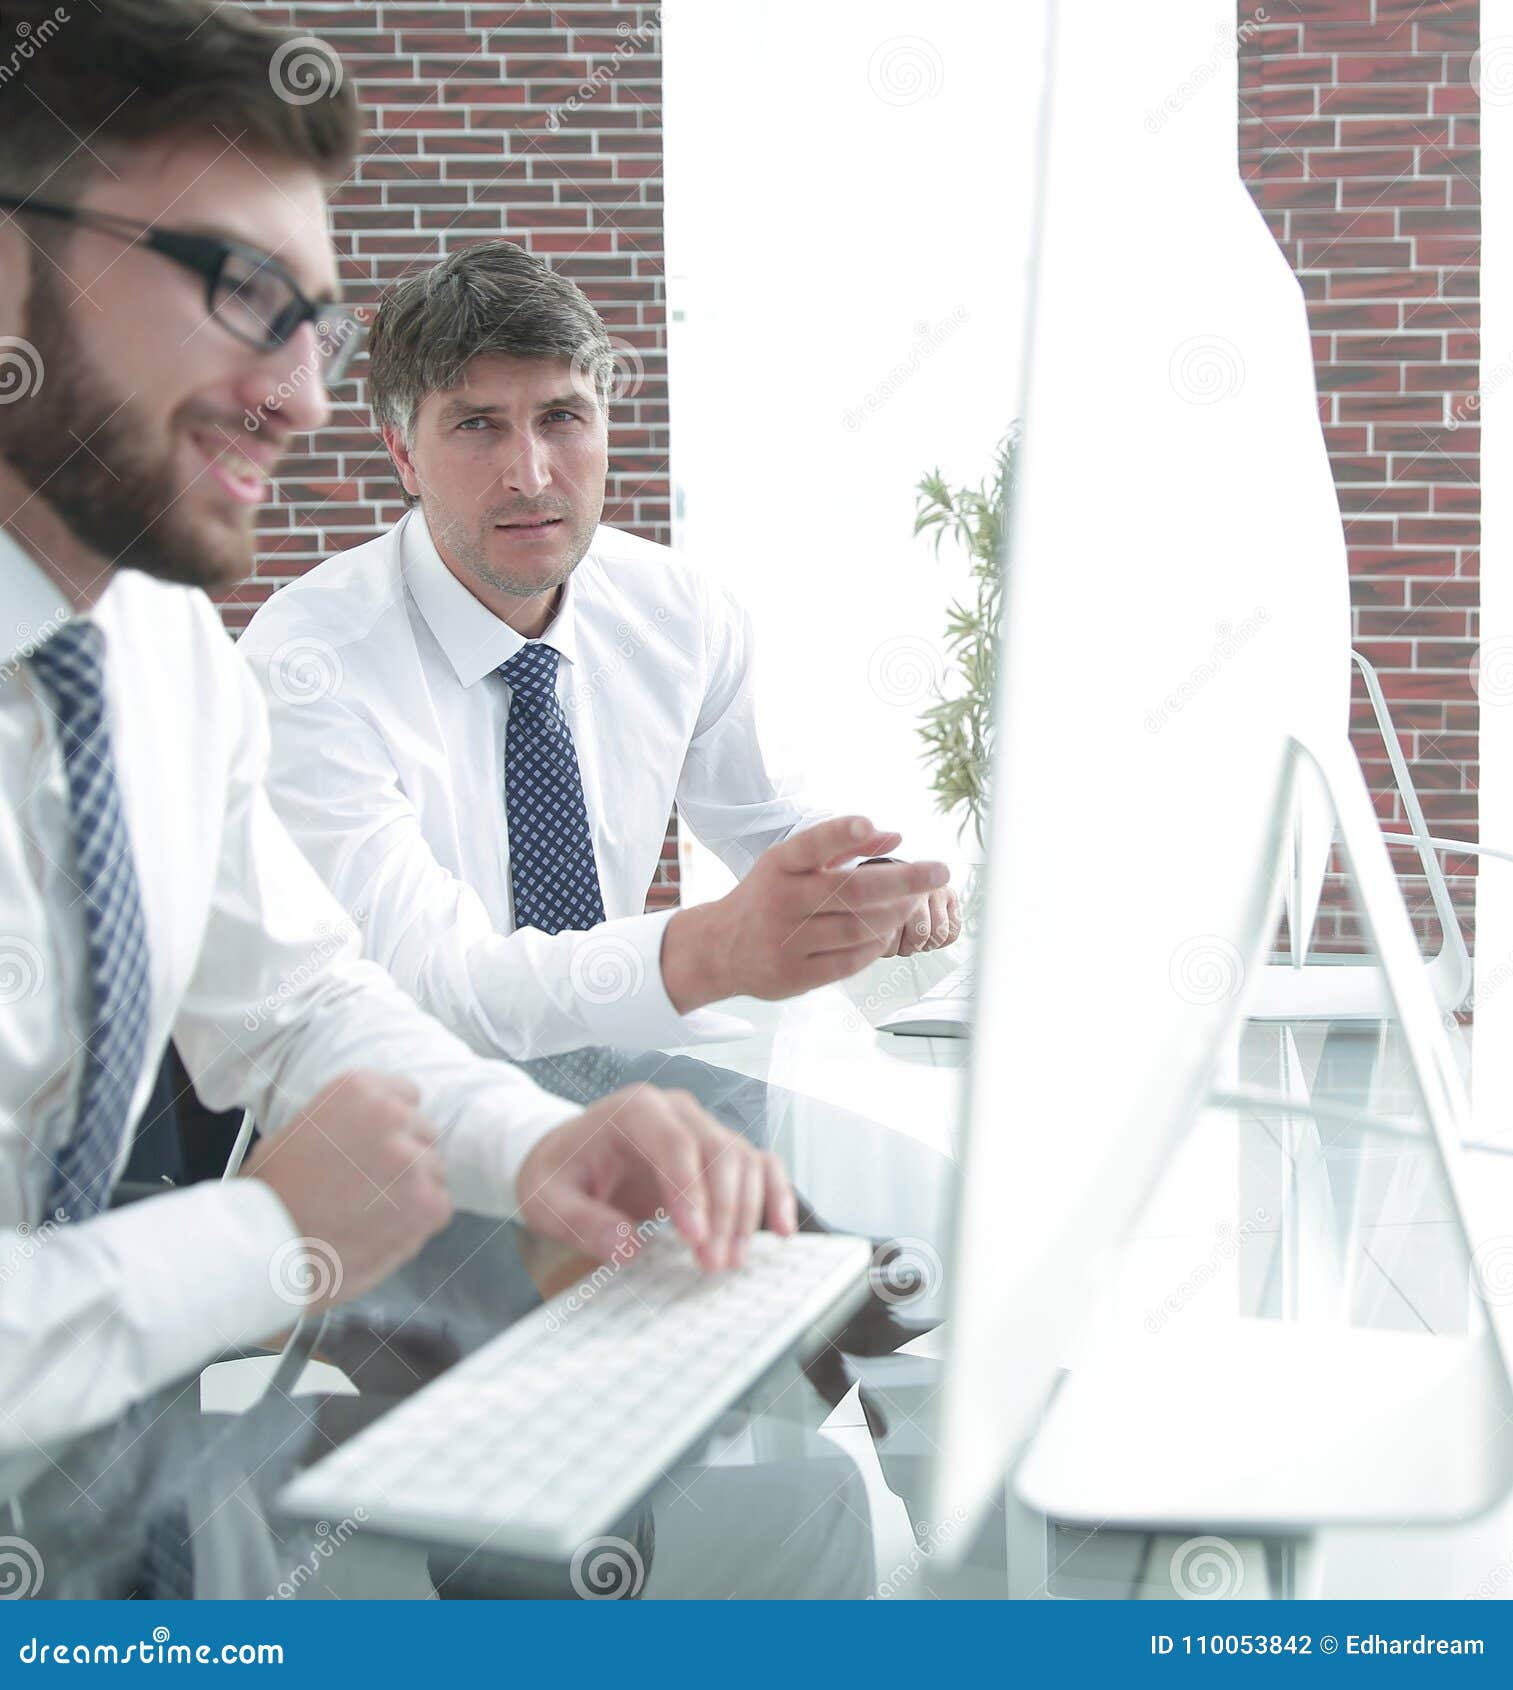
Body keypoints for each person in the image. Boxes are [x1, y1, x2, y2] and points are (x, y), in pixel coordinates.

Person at [0, 0, 795, 1461]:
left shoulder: (163, 646)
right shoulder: (301, 651)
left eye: (311, 323)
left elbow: (302, 1003)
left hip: (101, 1443)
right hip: (116, 1388)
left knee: (778, 1483)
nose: (300, 396)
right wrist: (261, 1239)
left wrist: (539, 1142)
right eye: (233, 290)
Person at [238, 240, 960, 1061]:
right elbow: (429, 983)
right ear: (403, 453)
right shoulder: (306, 663)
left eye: (561, 418)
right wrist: (713, 949)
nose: (531, 475)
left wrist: (866, 876)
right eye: (478, 426)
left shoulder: (678, 612)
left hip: (610, 1108)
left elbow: (764, 817)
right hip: (380, 1126)